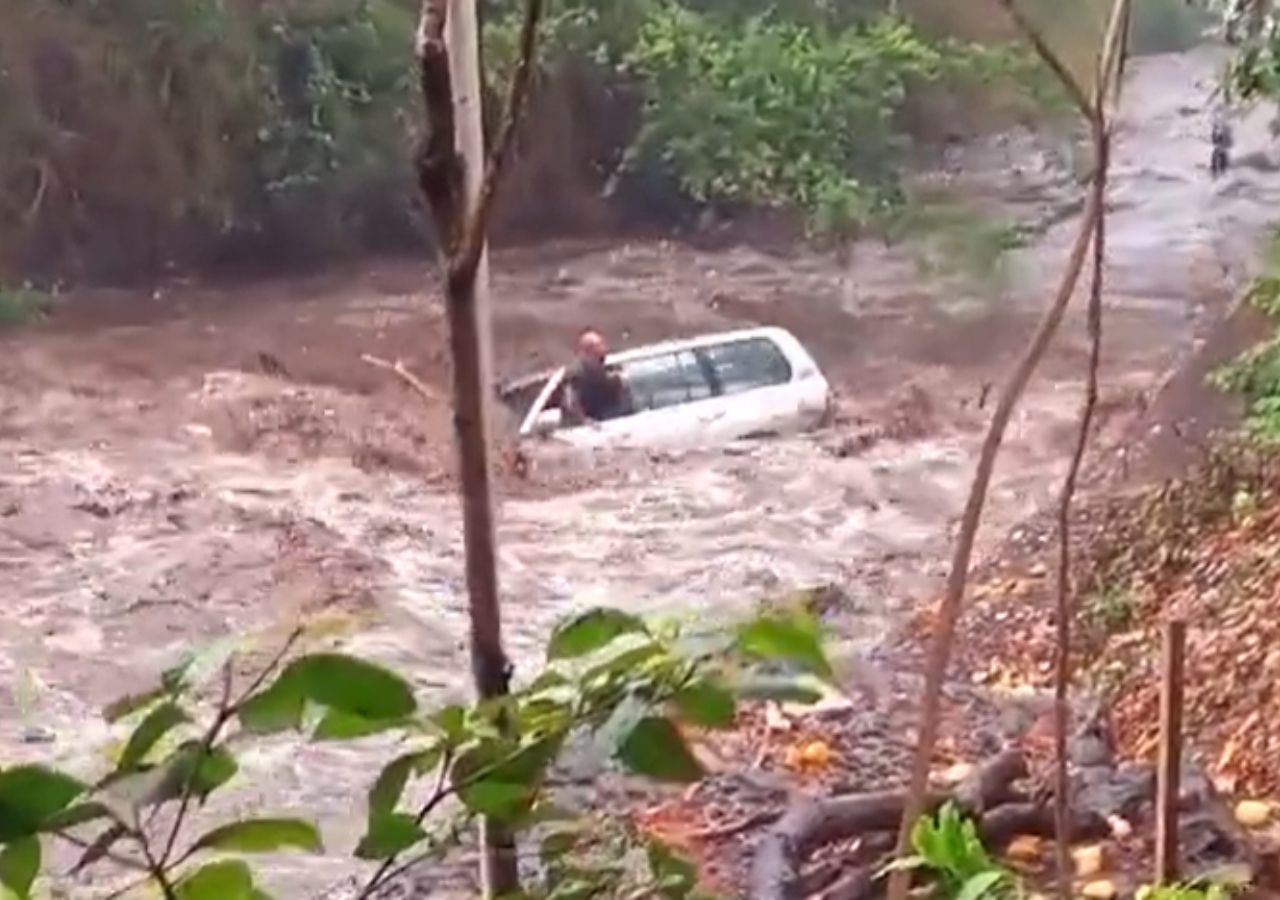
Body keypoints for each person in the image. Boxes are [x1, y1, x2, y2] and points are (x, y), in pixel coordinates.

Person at [561, 329, 633, 425]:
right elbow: (571, 404)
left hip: (621, 420)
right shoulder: (575, 376)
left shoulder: (611, 368)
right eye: (596, 348)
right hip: (594, 428)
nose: (604, 350)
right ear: (585, 352)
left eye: (602, 346)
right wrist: (585, 422)